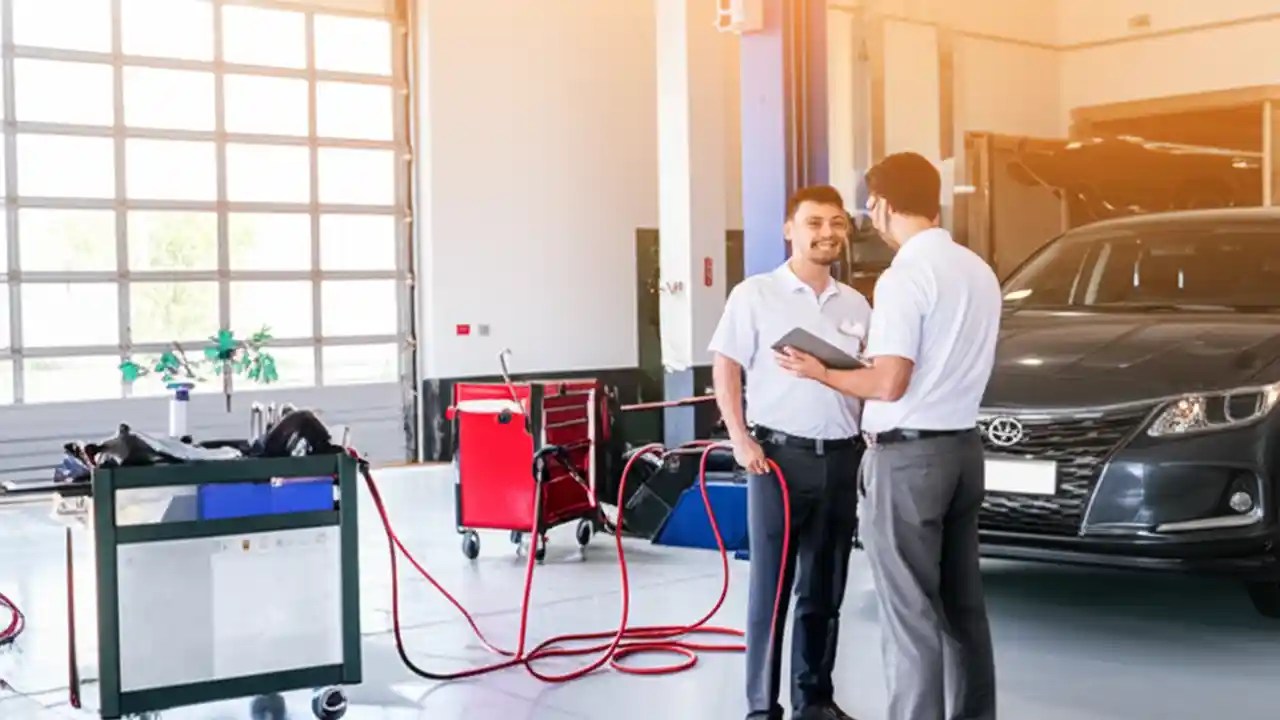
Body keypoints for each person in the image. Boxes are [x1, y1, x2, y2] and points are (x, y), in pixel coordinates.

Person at [776, 152, 1002, 720]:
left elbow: (890, 381)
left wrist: (821, 371)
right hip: (962, 452)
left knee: (909, 614)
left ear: (880, 204)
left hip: (908, 460)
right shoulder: (979, 270)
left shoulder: (905, 277)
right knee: (962, 611)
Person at [709, 184, 870, 720]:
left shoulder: (858, 304)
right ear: (789, 230)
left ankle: (814, 699)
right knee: (772, 591)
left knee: (825, 587)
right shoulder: (754, 295)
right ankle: (761, 707)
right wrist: (739, 437)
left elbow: (867, 380)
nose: (827, 233)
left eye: (837, 224)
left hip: (842, 457)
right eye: (815, 223)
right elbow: (726, 366)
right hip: (776, 459)